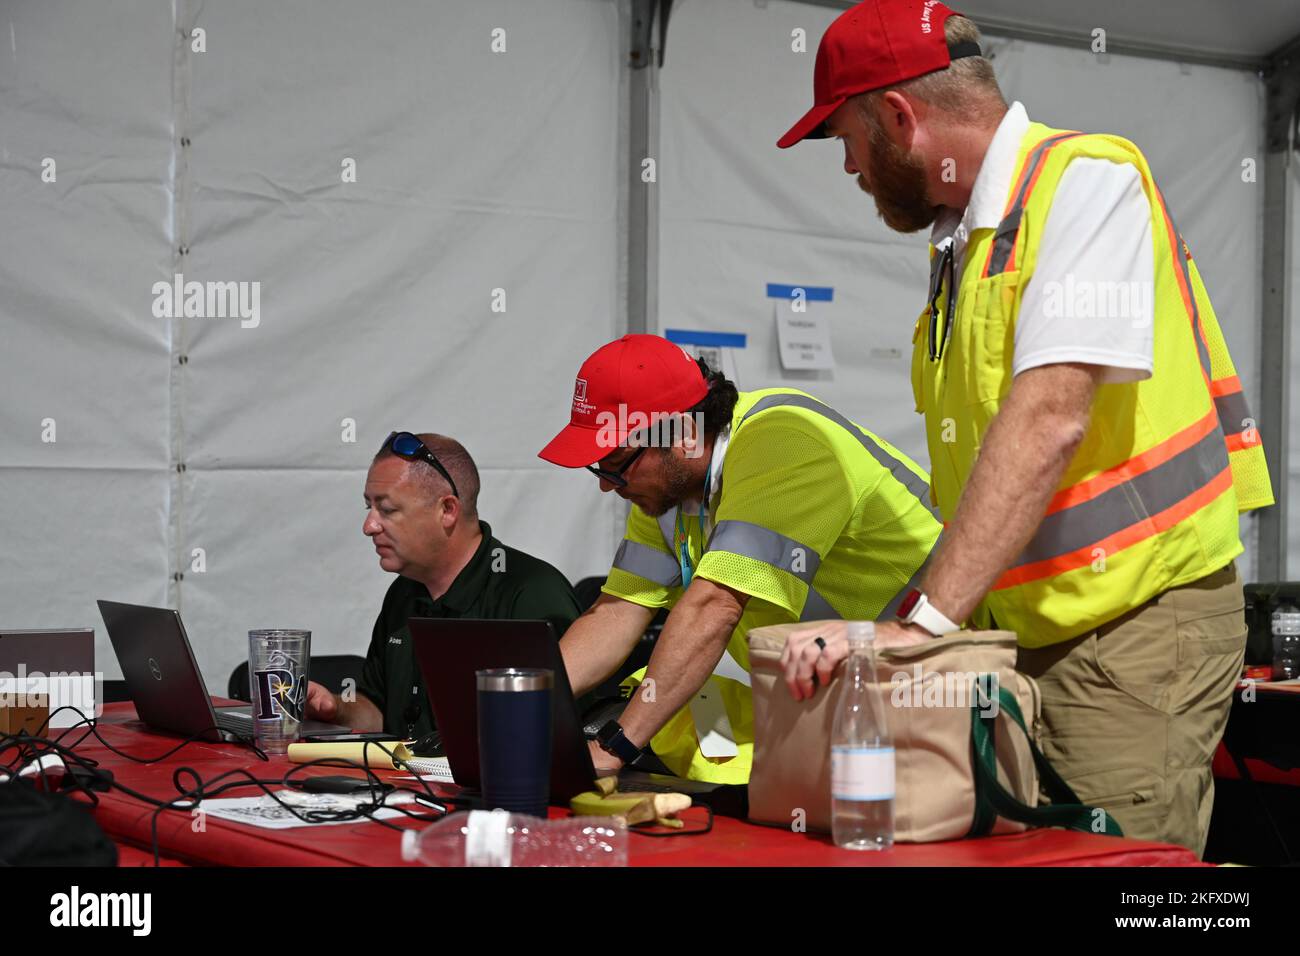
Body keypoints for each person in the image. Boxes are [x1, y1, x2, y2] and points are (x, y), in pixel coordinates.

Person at [776, 0, 1273, 855]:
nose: (850, 166)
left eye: (844, 138)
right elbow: (987, 488)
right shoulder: (968, 247)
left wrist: (919, 631)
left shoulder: (1089, 182)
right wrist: (887, 629)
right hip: (1035, 639)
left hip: (1134, 634)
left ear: (899, 115)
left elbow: (1049, 420)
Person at [538, 334, 941, 783]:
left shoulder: (784, 440)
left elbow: (715, 606)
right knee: (691, 723)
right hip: (847, 695)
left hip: (933, 683)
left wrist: (615, 746)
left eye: (615, 461)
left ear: (684, 434)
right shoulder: (666, 494)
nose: (606, 484)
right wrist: (515, 707)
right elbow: (615, 614)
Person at [305, 431, 582, 740]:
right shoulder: (404, 592)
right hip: (403, 786)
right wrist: (335, 709)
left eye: (387, 510)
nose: (369, 526)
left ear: (448, 510)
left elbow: (564, 731)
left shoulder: (530, 593)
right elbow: (381, 713)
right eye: (368, 507)